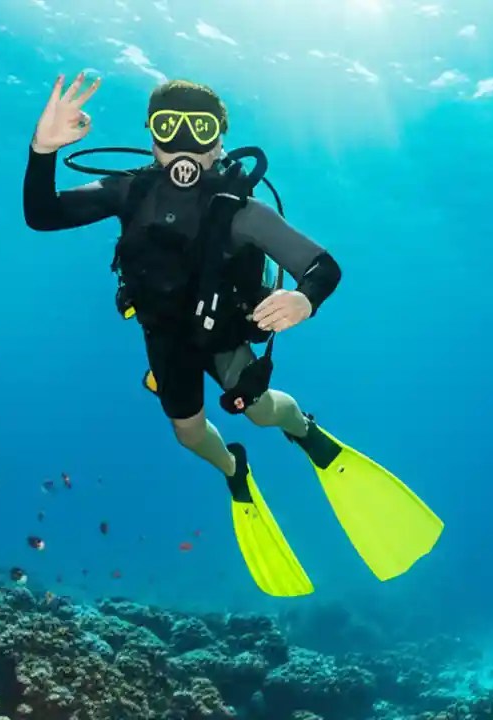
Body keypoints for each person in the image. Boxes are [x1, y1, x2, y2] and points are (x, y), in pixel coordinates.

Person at [22, 72, 443, 597]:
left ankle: (304, 431)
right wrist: (42, 150)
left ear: (219, 141)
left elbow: (323, 266)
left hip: (227, 338)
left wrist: (304, 299)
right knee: (189, 434)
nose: (183, 145)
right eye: (168, 127)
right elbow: (41, 215)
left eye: (197, 131)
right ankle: (233, 467)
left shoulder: (242, 212)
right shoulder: (128, 191)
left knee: (261, 411)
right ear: (152, 138)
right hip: (165, 340)